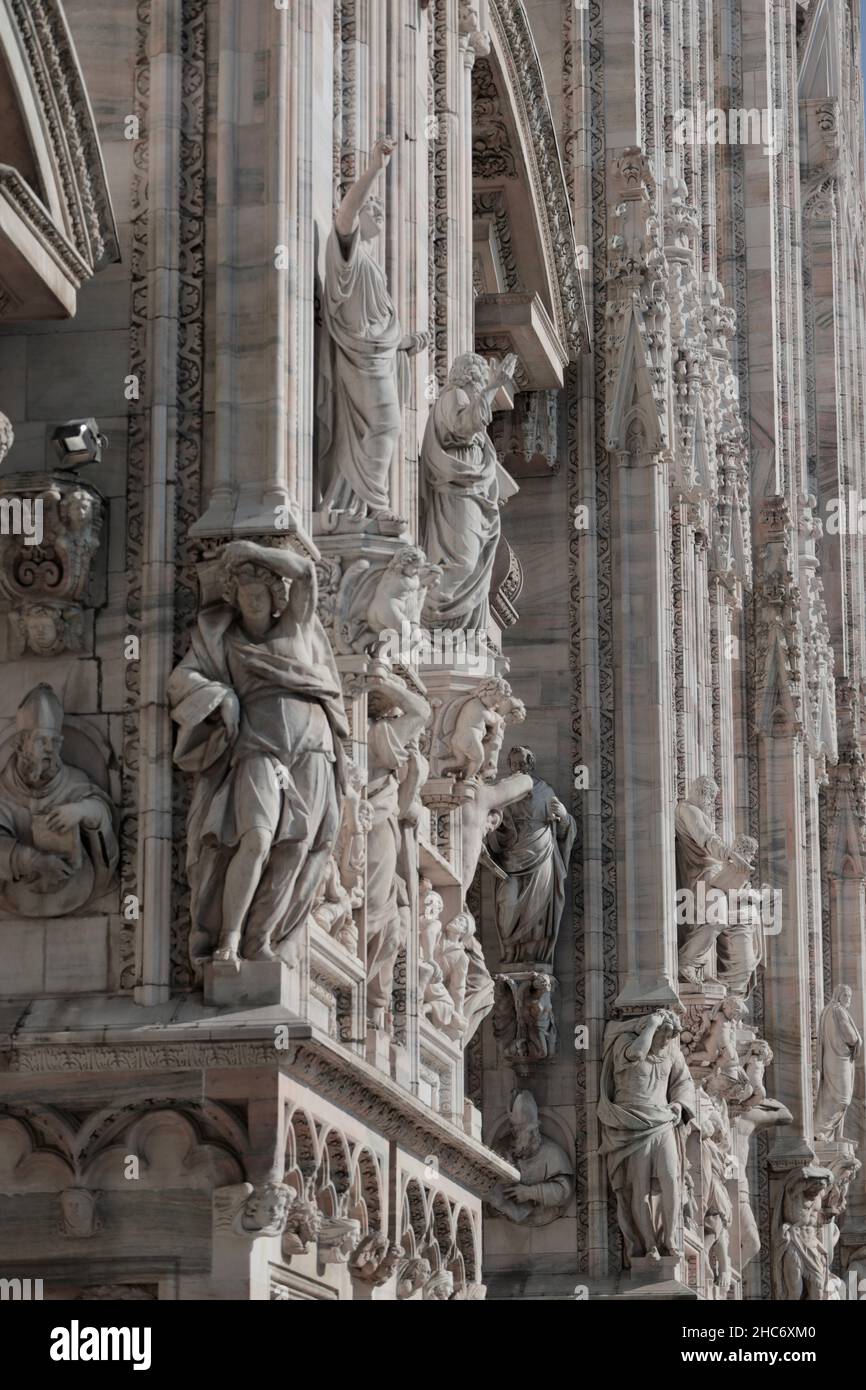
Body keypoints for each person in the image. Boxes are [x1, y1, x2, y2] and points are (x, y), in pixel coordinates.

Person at [168, 539, 347, 969]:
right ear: (234, 598)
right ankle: (227, 938)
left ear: (275, 598)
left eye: (261, 593)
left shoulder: (296, 626)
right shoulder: (222, 640)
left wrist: (254, 552)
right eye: (245, 594)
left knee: (296, 846)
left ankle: (258, 939)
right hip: (258, 750)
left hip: (313, 751)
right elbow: (180, 680)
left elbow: (305, 571)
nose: (253, 600)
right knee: (257, 838)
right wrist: (221, 695)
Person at [317, 138, 425, 517]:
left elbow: (379, 321)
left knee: (382, 428)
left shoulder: (372, 265)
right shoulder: (345, 251)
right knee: (386, 425)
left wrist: (405, 341)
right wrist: (375, 169)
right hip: (358, 356)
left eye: (379, 206)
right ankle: (374, 503)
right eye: (371, 206)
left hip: (377, 356)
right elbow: (346, 214)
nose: (377, 210)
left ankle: (354, 503)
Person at [0, 683, 117, 916]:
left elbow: (101, 810)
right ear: (20, 745)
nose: (50, 749)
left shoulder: (74, 780)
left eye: (56, 742)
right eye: (42, 741)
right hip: (19, 896)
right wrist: (33, 861)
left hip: (75, 889)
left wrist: (81, 810)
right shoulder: (3, 791)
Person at [598, 1010, 696, 1259]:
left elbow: (684, 1082)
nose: (666, 1042)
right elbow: (637, 1054)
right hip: (632, 1125)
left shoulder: (671, 1052)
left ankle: (671, 1238)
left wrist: (679, 1105)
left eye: (670, 1037)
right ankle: (649, 1244)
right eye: (662, 1036)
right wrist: (651, 1024)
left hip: (663, 1122)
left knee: (672, 1178)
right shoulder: (625, 1045)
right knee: (637, 1187)